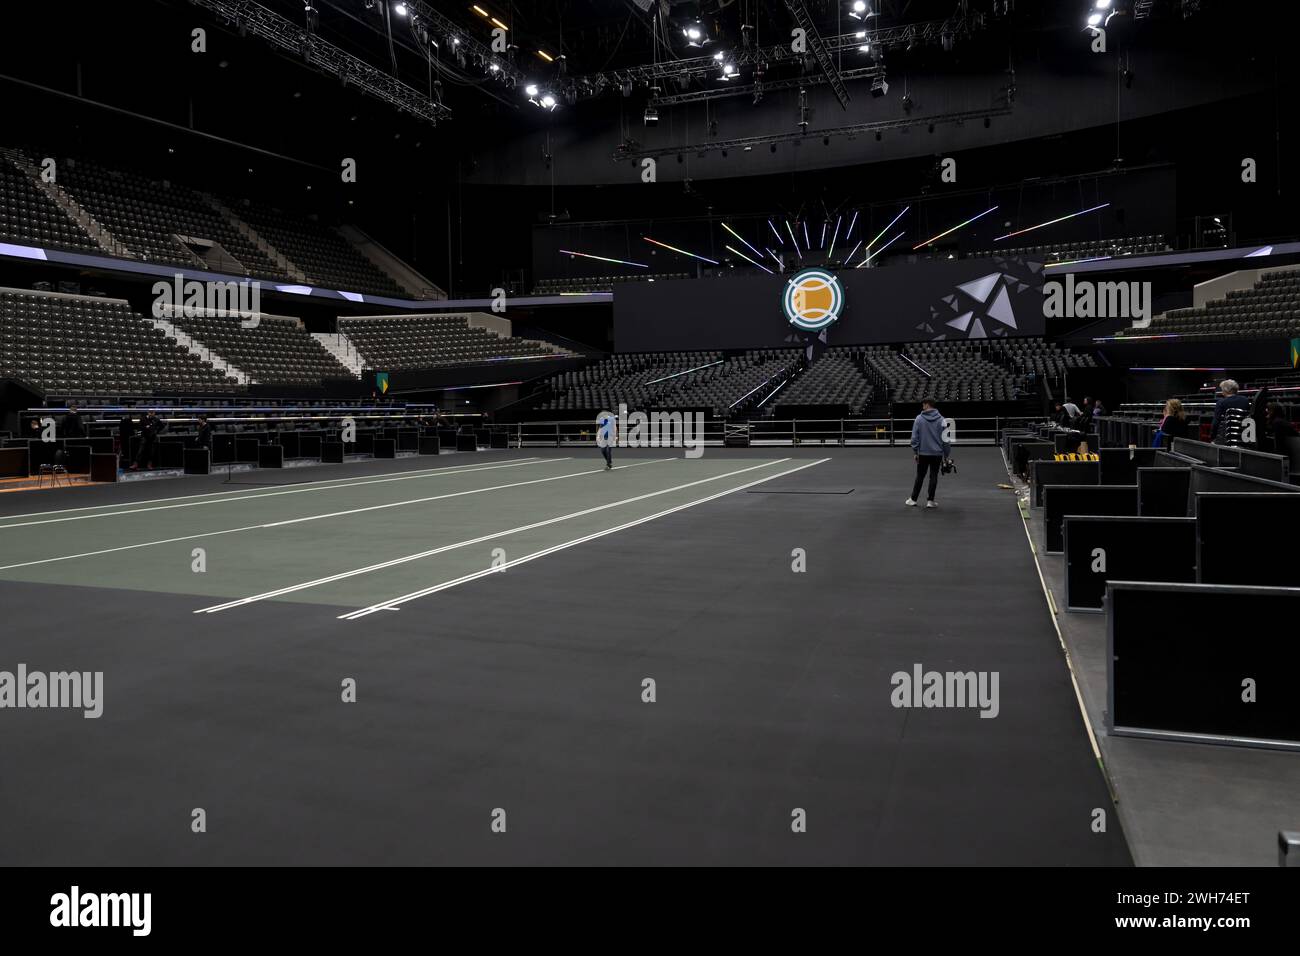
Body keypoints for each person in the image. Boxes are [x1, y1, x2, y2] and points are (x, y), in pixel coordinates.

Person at [906, 397, 951, 509]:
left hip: (923, 453)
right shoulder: (942, 420)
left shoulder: (919, 419)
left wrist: (915, 451)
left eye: (923, 404)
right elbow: (946, 440)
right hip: (937, 454)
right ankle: (930, 501)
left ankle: (913, 499)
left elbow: (914, 438)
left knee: (920, 476)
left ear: (927, 405)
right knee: (933, 476)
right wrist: (946, 455)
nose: (922, 406)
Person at [1210, 379, 1250, 444]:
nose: (1222, 391)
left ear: (1226, 390)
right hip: (1243, 437)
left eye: (1222, 389)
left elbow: (1216, 423)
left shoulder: (1221, 402)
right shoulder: (1245, 400)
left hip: (1226, 438)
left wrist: (1213, 438)